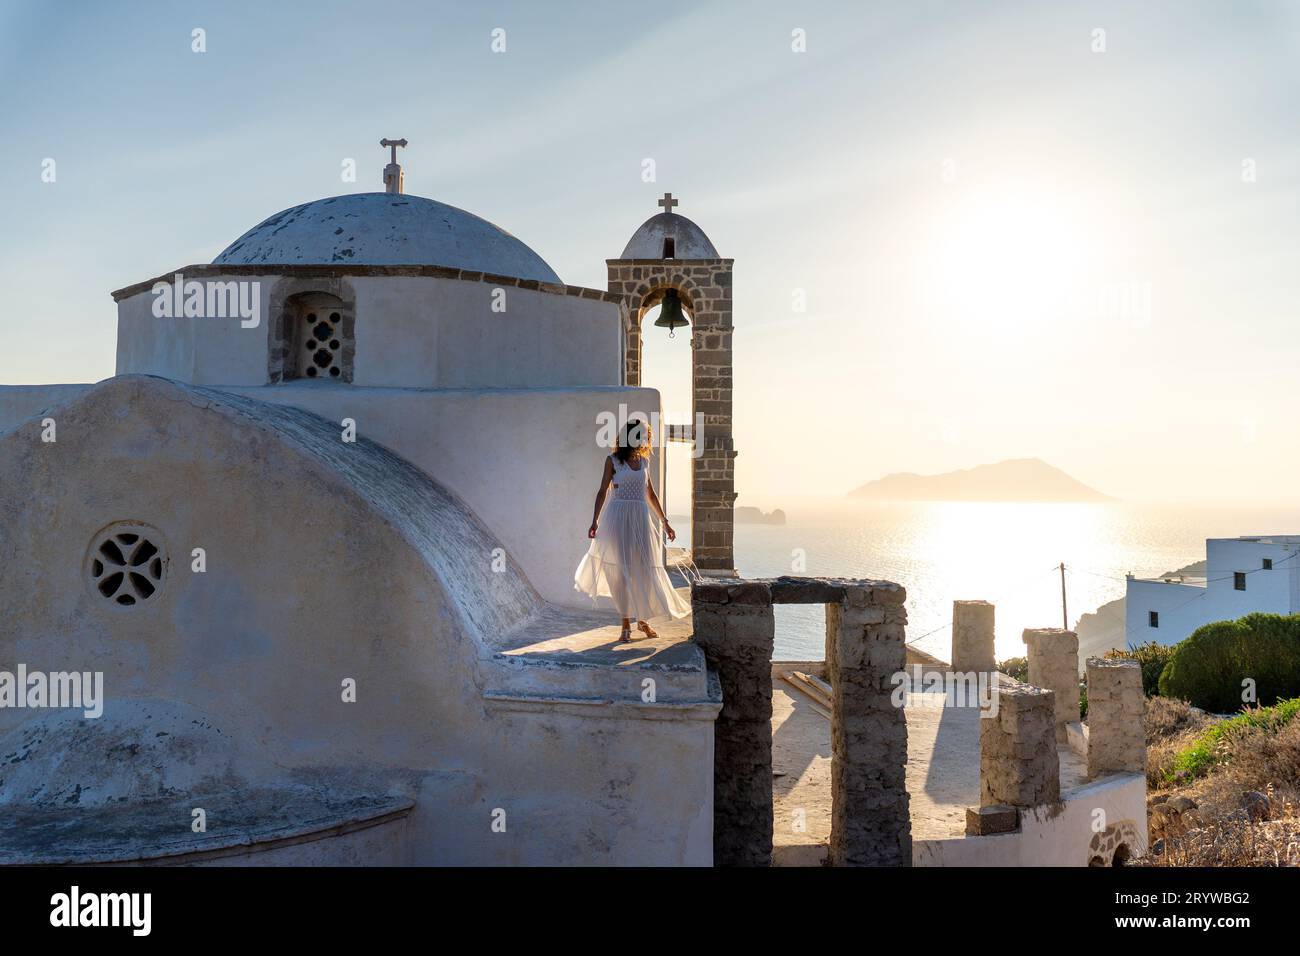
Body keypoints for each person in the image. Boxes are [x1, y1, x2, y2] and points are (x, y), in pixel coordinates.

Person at [573, 418, 691, 641]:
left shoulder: (644, 462)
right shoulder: (613, 460)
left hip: (641, 519)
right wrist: (594, 521)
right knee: (620, 574)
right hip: (617, 519)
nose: (645, 439)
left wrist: (665, 522)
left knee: (643, 571)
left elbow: (651, 495)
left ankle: (643, 621)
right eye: (642, 435)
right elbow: (602, 491)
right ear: (631, 436)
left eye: (647, 436)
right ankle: (625, 625)